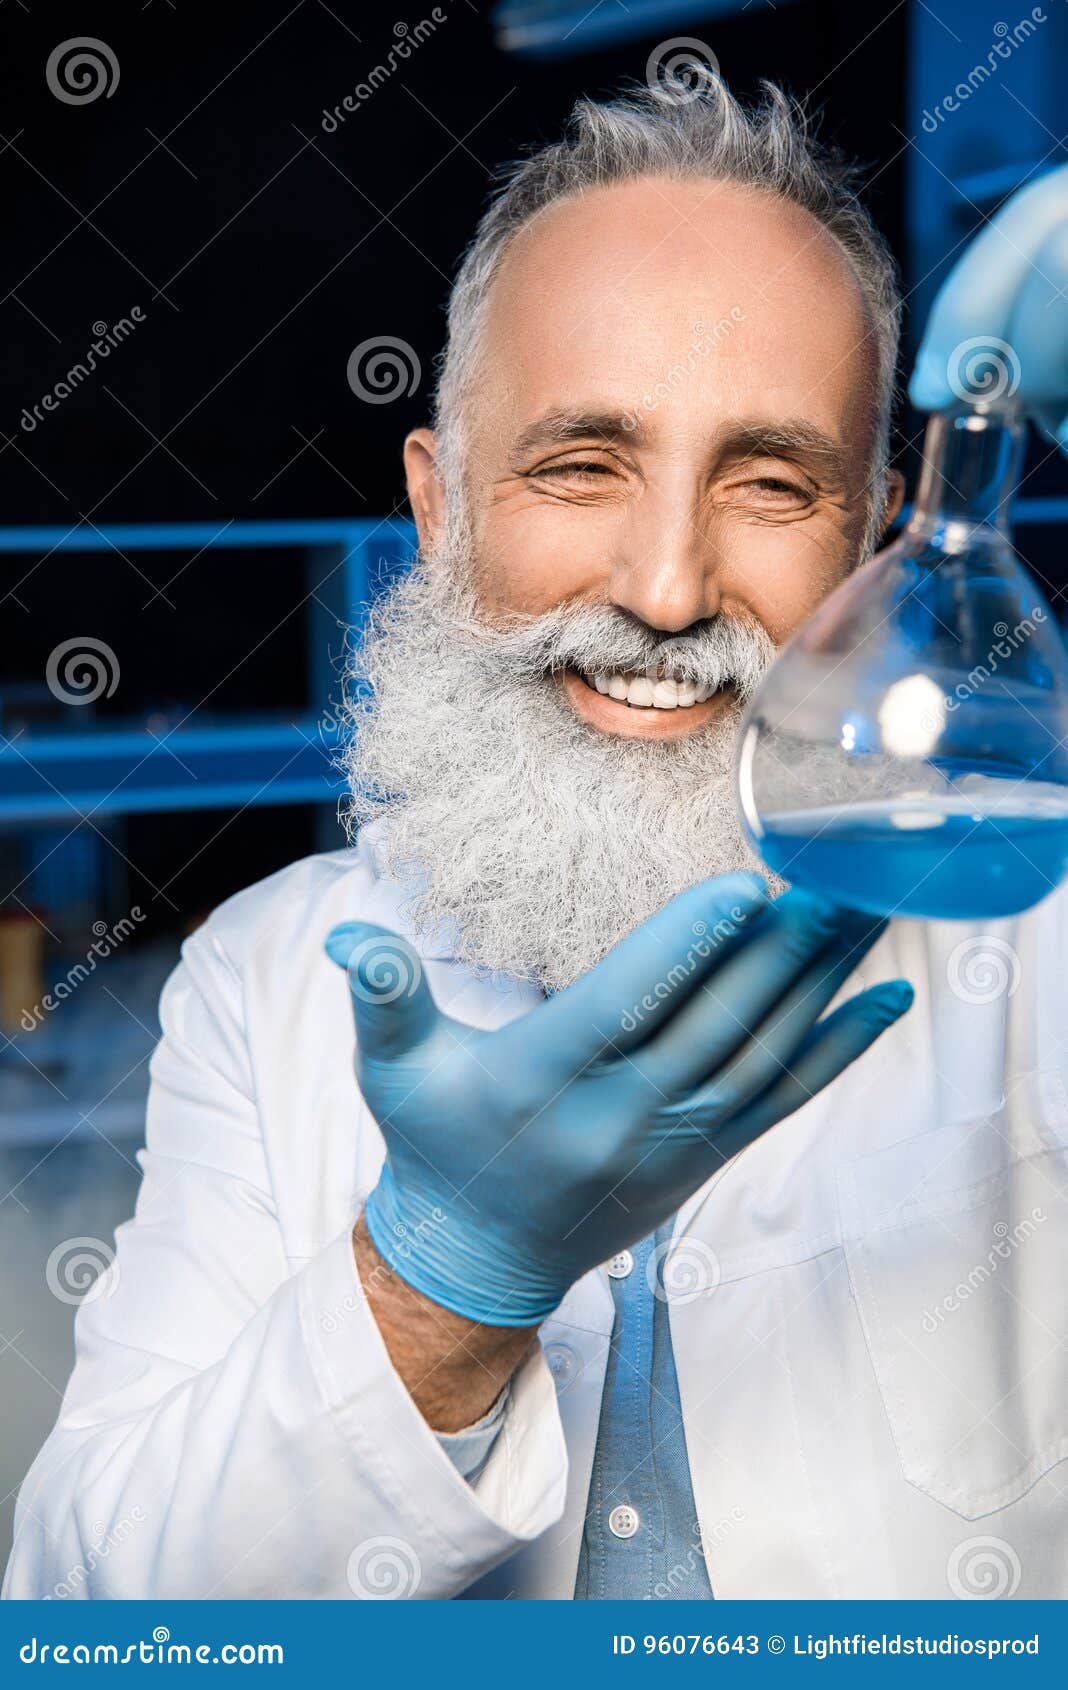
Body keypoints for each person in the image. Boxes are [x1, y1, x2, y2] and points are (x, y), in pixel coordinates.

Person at [6, 74, 1068, 1603]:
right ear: (438, 511)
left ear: (876, 541)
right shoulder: (269, 979)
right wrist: (440, 1279)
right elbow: (96, 1614)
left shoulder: (1022, 927)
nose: (661, 586)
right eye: (581, 465)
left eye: (772, 483)